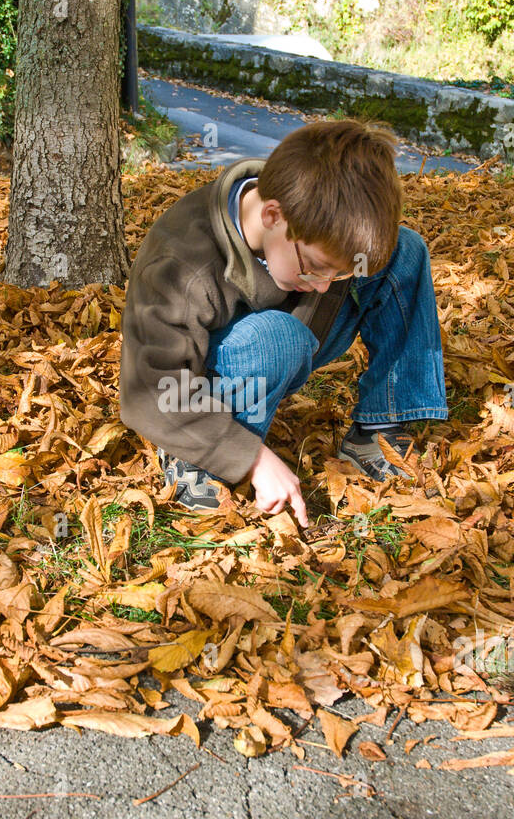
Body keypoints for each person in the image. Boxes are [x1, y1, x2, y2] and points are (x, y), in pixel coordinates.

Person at [119, 119, 448, 528]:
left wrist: (328, 271)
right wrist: (255, 460)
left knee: (405, 250)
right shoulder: (180, 263)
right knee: (278, 338)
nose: (325, 286)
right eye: (315, 268)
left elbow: (337, 269)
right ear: (273, 215)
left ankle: (377, 431)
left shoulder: (304, 216)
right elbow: (147, 391)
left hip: (298, 336)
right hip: (206, 388)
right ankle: (196, 456)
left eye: (339, 275)